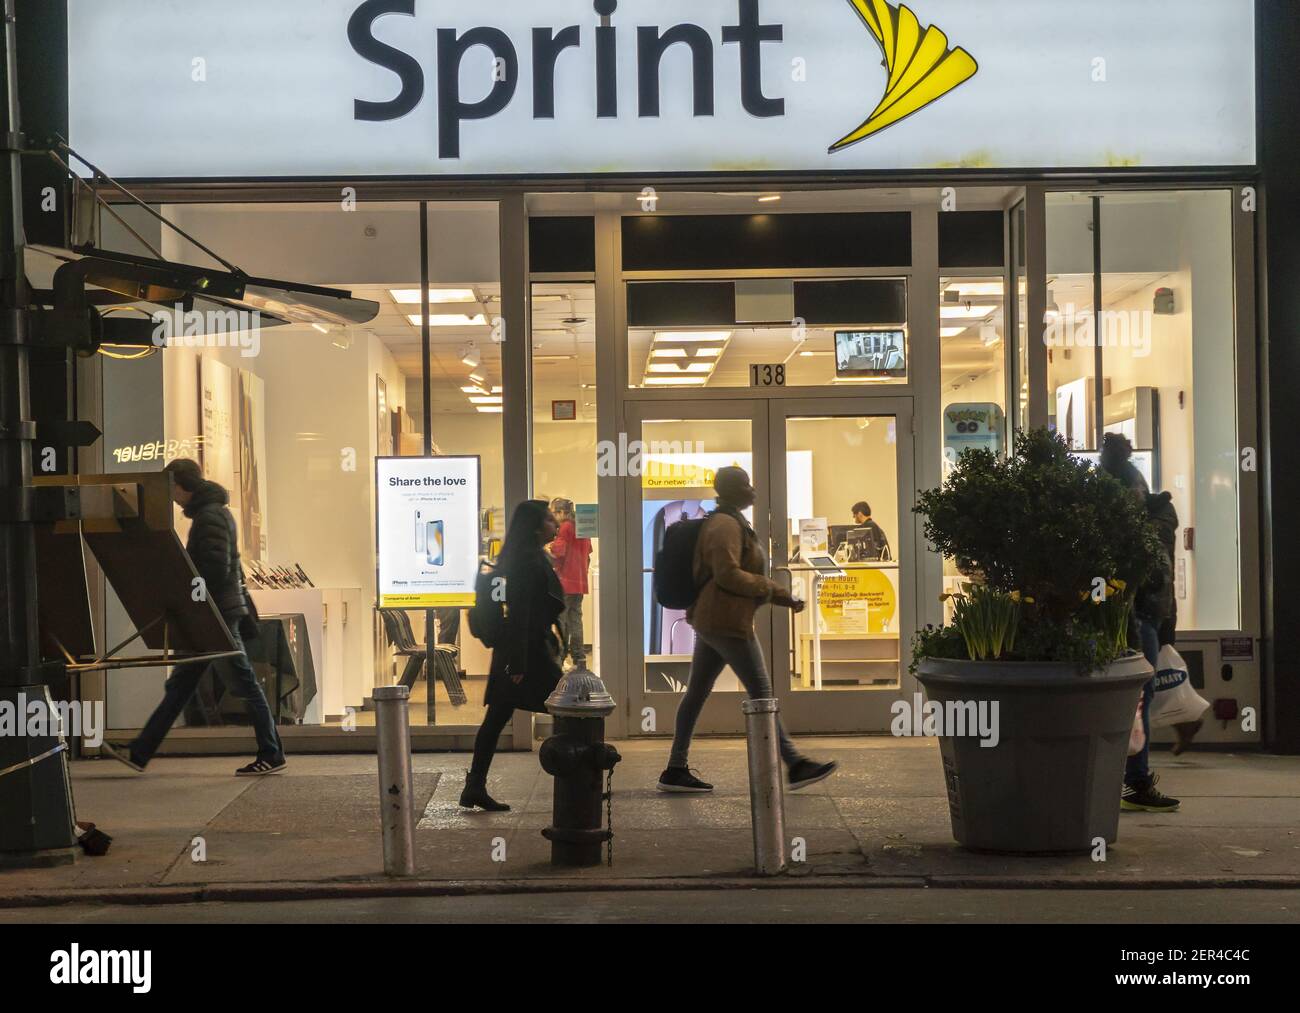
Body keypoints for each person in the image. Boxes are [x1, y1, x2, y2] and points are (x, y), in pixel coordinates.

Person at [101, 459, 286, 777]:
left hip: (216, 615)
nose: (170, 497)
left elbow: (215, 569)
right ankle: (139, 751)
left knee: (243, 683)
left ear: (180, 486)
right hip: (214, 613)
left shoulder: (210, 516)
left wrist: (188, 593)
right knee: (182, 685)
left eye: (170, 489)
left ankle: (271, 752)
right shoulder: (211, 513)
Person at [658, 467, 837, 794]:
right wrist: (775, 591)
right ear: (731, 490)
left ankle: (675, 768)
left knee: (697, 691)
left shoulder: (730, 521)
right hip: (726, 621)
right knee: (761, 691)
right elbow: (727, 575)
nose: (752, 490)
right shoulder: (725, 525)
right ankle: (794, 763)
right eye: (746, 485)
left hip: (714, 618)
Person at [460, 500, 564, 811]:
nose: (555, 524)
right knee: (569, 711)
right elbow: (520, 614)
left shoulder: (527, 558)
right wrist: (517, 662)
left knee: (496, 719)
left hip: (520, 649)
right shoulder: (528, 562)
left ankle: (475, 786)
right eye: (548, 519)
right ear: (534, 526)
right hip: (527, 652)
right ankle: (578, 780)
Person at [1099, 433, 1180, 812]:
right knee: (1136, 699)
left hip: (1135, 616)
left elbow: (1160, 575)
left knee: (1133, 699)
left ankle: (1130, 778)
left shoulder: (1138, 514)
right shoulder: (1143, 521)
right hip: (1135, 619)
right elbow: (1157, 575)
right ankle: (1134, 779)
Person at [548, 497, 593, 671]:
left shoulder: (565, 527)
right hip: (579, 581)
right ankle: (580, 658)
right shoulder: (581, 525)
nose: (553, 517)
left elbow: (559, 552)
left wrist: (549, 548)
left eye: (554, 513)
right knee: (576, 621)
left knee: (562, 621)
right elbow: (588, 552)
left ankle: (560, 658)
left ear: (561, 513)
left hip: (565, 581)